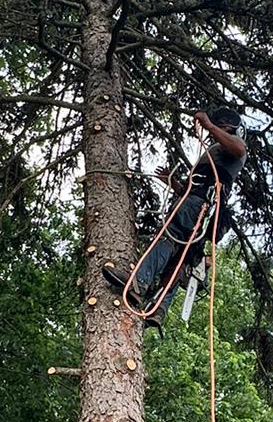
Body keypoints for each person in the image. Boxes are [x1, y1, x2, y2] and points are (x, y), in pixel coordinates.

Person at [103, 106, 247, 329]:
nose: (214, 134)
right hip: (201, 208)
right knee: (182, 257)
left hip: (199, 206)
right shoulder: (217, 153)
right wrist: (174, 184)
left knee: (169, 237)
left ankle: (138, 283)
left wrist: (209, 125)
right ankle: (159, 307)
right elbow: (194, 188)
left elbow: (239, 149)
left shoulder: (233, 147)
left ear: (230, 128)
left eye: (221, 129)